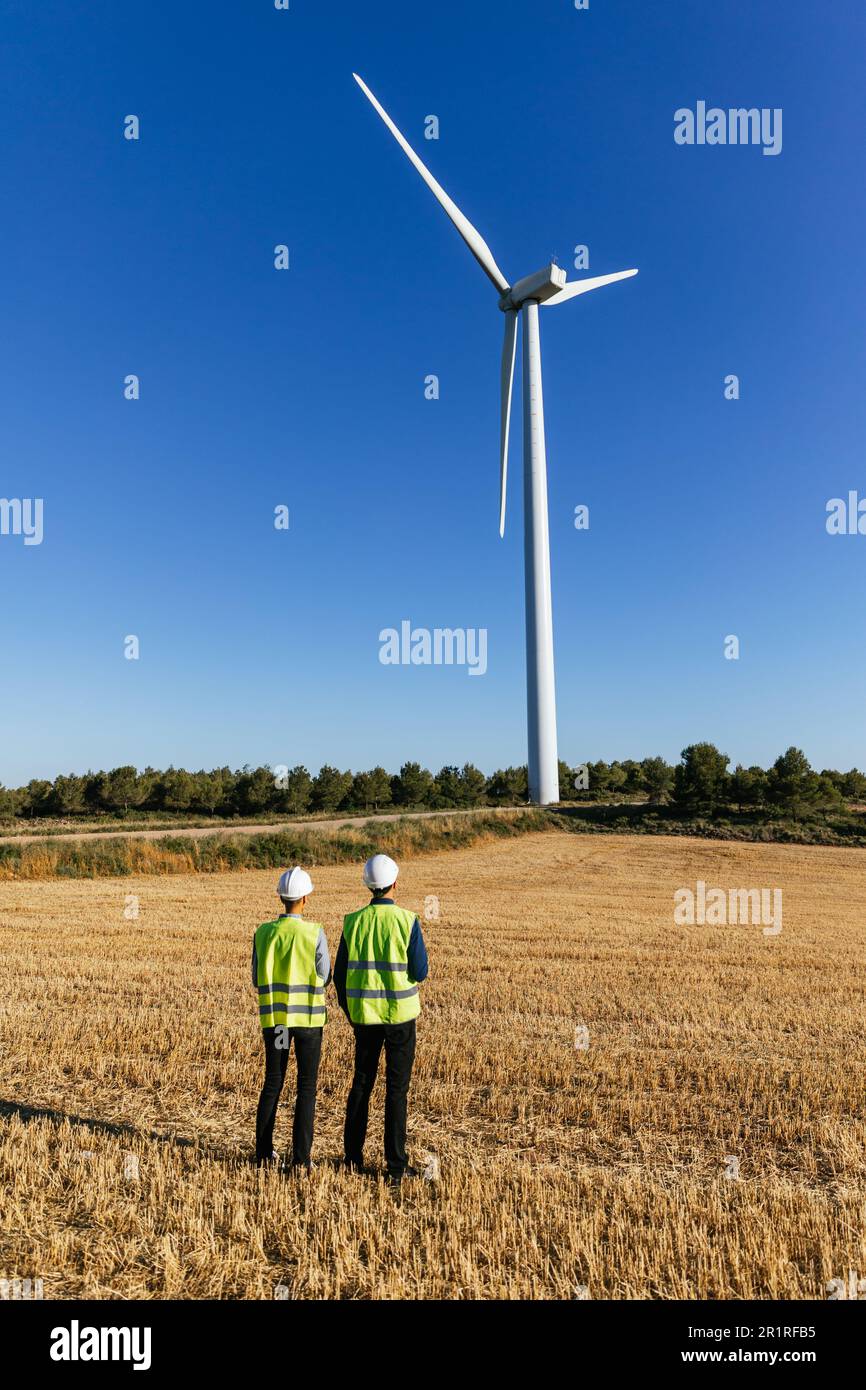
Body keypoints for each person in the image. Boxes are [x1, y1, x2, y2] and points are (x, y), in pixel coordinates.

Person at [334, 853, 429, 1184]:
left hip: (364, 1019)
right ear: (395, 883)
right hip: (400, 1017)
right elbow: (420, 971)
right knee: (396, 1089)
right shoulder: (407, 920)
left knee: (361, 1084)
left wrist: (351, 1011)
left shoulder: (352, 922)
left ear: (367, 885)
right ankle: (396, 1165)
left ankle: (352, 1158)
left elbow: (340, 976)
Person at [252, 866, 331, 1171]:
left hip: (278, 1023)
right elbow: (324, 976)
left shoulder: (264, 933)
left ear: (281, 898)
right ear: (305, 898)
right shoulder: (314, 933)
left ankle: (263, 1154)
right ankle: (301, 1159)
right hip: (308, 1022)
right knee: (306, 1086)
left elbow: (257, 979)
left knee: (273, 1081)